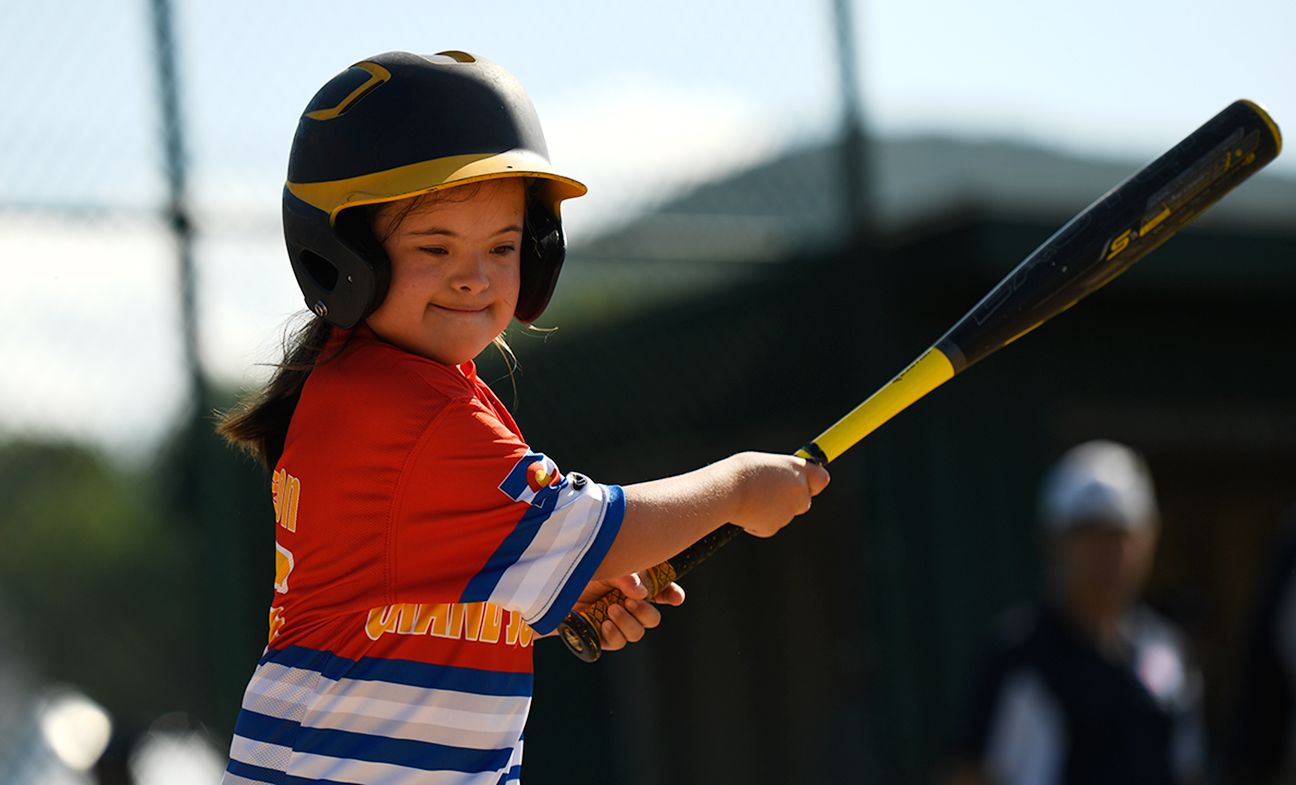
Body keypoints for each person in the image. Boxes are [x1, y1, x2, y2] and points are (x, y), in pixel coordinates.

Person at [214, 51, 829, 785]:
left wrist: (564, 587)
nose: (474, 275)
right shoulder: (410, 416)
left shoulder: (376, 387)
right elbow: (595, 522)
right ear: (344, 255)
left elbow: (431, 581)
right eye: (434, 246)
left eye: (503, 247)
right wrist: (736, 488)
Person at [949, 440, 1205, 785]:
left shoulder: (1168, 652)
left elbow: (1187, 765)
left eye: (1121, 534)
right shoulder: (1018, 653)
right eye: (1089, 533)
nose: (1109, 552)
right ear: (1054, 540)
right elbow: (970, 771)